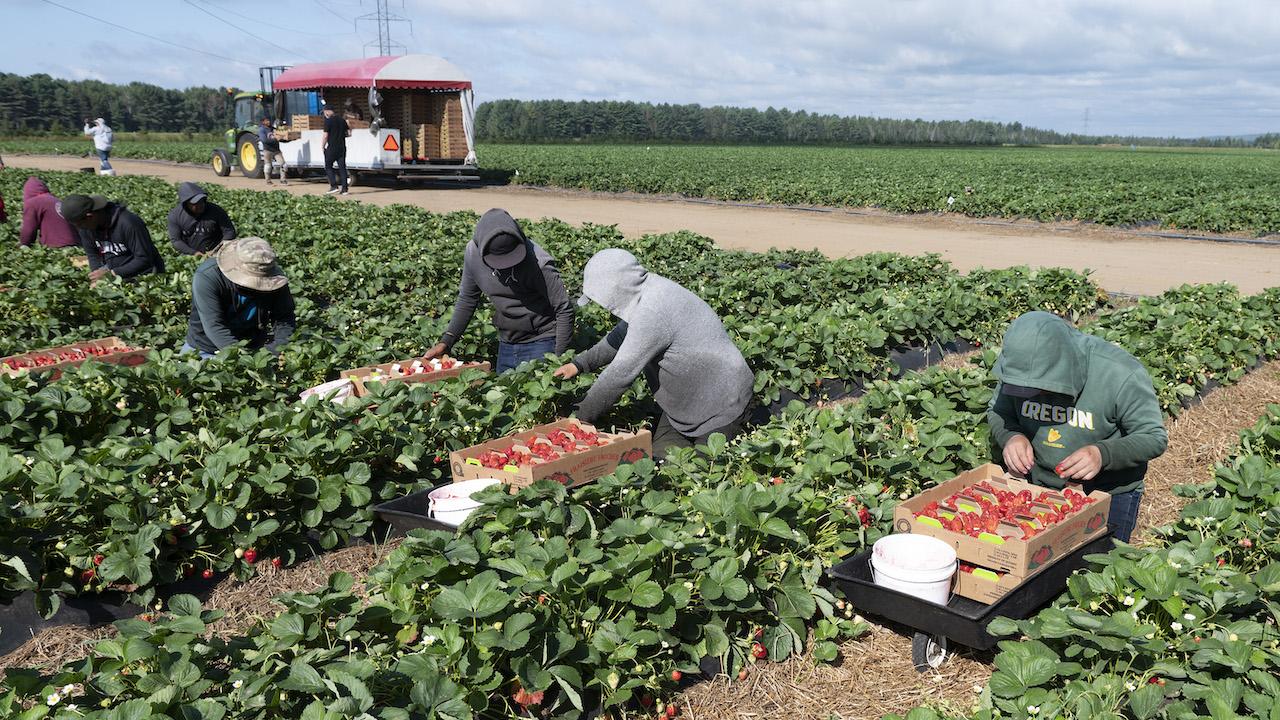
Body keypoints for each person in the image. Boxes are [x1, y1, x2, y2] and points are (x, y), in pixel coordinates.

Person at [553, 248, 755, 458]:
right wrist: (579, 364)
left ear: (614, 290)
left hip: (723, 402)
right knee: (661, 466)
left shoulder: (653, 311)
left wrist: (577, 420)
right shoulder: (649, 289)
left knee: (700, 476)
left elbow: (618, 376)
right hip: (683, 409)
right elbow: (621, 335)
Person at [988, 311, 1168, 543]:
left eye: (1042, 387)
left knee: (1100, 568)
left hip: (1107, 493)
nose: (1035, 394)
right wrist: (1010, 436)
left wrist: (1102, 454)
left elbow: (1153, 437)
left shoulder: (1119, 373)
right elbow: (998, 410)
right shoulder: (1017, 367)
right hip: (1036, 486)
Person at [425, 208, 574, 372]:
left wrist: (559, 358)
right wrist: (447, 340)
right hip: (507, 342)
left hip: (541, 341)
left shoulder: (539, 263)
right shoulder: (473, 253)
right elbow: (468, 299)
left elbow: (564, 309)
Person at [182, 237, 296, 358]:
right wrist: (245, 360)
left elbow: (284, 318)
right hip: (205, 347)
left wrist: (273, 351)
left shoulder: (273, 278)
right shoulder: (208, 277)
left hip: (254, 345)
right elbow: (215, 326)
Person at [60, 194, 165, 283]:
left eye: (79, 224)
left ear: (90, 216)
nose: (79, 228)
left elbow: (144, 259)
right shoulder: (86, 227)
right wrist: (98, 276)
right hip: (115, 277)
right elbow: (93, 255)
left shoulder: (128, 223)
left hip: (145, 278)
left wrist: (112, 274)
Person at [168, 182, 235, 256]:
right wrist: (194, 253)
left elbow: (229, 232)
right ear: (186, 204)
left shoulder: (216, 211)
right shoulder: (175, 215)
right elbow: (176, 240)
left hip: (217, 255)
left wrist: (217, 250)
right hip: (190, 256)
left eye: (202, 201)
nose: (200, 205)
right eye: (195, 203)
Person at [19, 177, 78, 249]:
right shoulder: (56, 199)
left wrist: (24, 246)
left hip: (57, 246)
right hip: (77, 243)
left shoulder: (32, 202)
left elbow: (28, 230)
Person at [321, 105, 349, 195]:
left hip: (332, 147)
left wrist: (322, 146)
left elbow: (325, 136)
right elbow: (348, 133)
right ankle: (344, 189)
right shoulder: (342, 120)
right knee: (342, 168)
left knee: (328, 166)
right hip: (342, 147)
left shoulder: (328, 121)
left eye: (325, 112)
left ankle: (334, 186)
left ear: (328, 111)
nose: (325, 114)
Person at [258, 117, 287, 185]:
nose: (268, 122)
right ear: (263, 122)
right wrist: (275, 139)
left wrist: (288, 139)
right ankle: (268, 181)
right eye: (266, 121)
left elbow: (280, 138)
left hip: (276, 150)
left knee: (284, 165)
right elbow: (264, 140)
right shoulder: (262, 130)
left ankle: (283, 180)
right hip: (267, 150)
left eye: (268, 120)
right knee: (268, 166)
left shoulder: (273, 129)